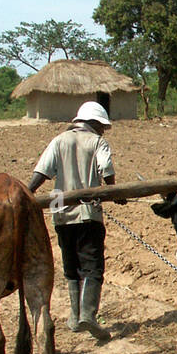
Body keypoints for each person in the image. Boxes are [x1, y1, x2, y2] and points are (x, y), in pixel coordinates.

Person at [28, 101, 116, 336]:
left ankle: (75, 317)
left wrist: (27, 195)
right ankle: (88, 314)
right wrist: (114, 191)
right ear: (95, 123)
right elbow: (106, 170)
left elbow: (42, 172)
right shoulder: (98, 142)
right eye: (102, 126)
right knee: (92, 266)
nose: (103, 131)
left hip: (61, 214)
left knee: (71, 266)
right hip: (88, 214)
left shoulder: (59, 141)